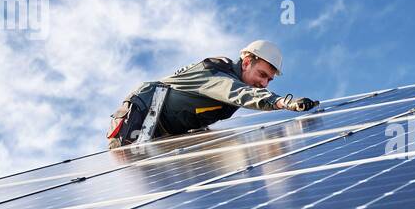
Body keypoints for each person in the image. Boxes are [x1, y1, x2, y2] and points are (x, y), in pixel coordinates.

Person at [107, 39, 319, 148]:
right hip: (143, 114)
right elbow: (237, 92)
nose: (264, 83)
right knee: (130, 176)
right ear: (246, 63)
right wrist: (282, 102)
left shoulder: (240, 87)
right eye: (261, 74)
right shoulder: (218, 71)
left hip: (165, 131)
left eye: (269, 80)